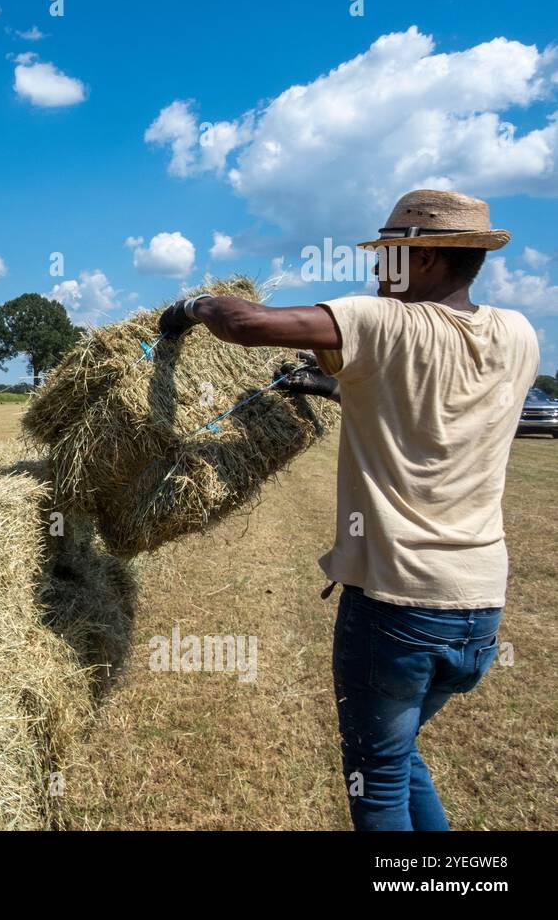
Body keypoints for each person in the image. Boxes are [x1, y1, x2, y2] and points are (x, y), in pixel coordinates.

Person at [158, 189, 539, 830]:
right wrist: (335, 388)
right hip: (479, 607)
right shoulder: (520, 334)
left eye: (388, 255)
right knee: (396, 756)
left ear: (426, 259)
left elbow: (246, 324)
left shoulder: (382, 324)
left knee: (379, 778)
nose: (375, 270)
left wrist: (190, 308)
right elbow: (431, 409)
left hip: (398, 604)